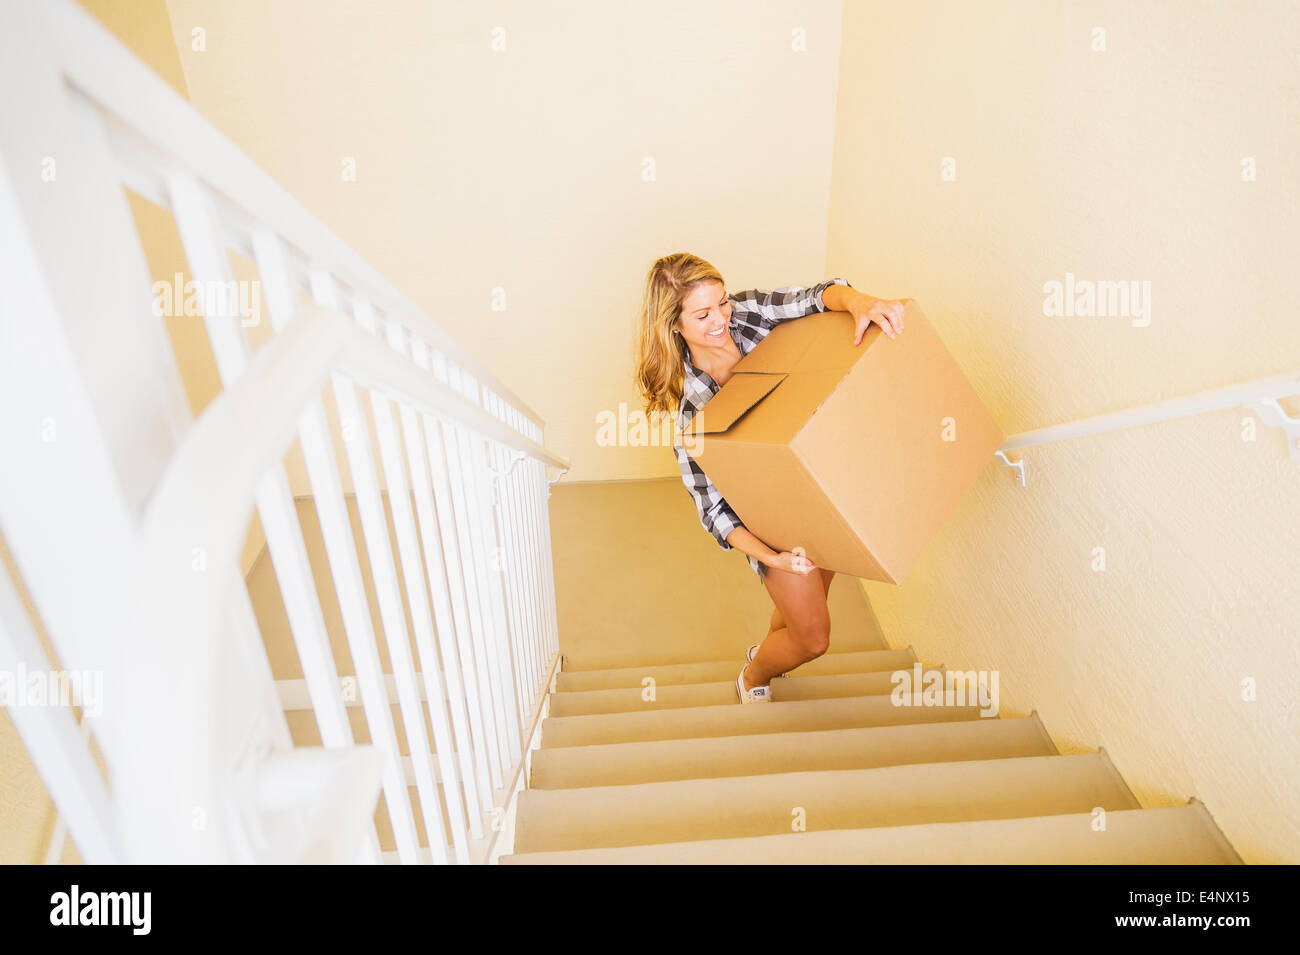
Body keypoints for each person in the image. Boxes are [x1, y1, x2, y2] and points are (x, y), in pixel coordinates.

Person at [633, 252, 906, 703]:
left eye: (721, 302)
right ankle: (754, 674)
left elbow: (816, 297)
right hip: (771, 527)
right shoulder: (692, 416)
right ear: (674, 325)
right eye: (702, 314)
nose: (722, 318)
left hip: (820, 490)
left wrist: (859, 302)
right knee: (813, 638)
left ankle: (767, 647)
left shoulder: (748, 314)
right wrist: (772, 560)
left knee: (803, 606)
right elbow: (716, 514)